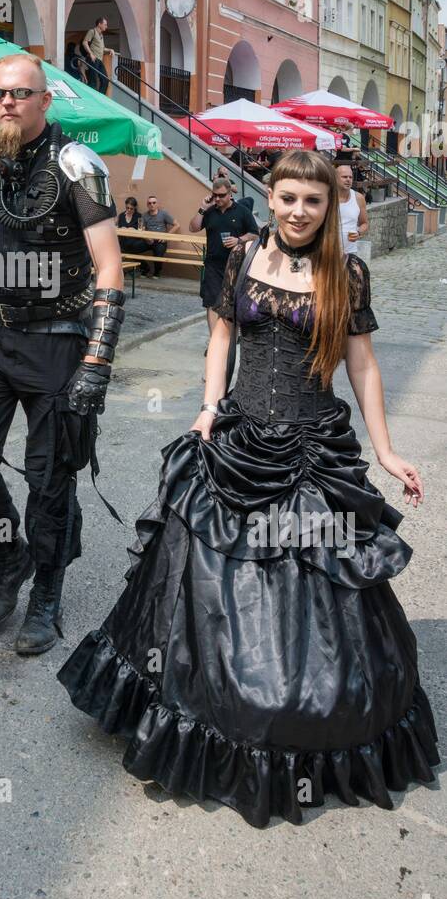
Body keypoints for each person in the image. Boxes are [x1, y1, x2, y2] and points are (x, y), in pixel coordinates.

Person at [59, 148, 439, 828]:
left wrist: (385, 451)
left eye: (312, 201)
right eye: (287, 197)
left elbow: (364, 366)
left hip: (313, 448)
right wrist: (208, 407)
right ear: (270, 196)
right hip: (240, 437)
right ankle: (207, 700)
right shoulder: (242, 256)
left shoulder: (346, 274)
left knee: (318, 597)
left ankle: (299, 721)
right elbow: (221, 339)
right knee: (202, 583)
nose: (298, 211)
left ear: (329, 207)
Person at [0, 53, 124, 656]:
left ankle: (47, 594)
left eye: (20, 93)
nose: (7, 102)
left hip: (59, 338)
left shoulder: (77, 166)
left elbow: (109, 268)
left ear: (46, 99)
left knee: (51, 475)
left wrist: (97, 363)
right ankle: (10, 554)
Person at [189, 178, 259, 336]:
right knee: (212, 303)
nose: (218, 199)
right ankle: (214, 341)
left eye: (221, 195)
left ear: (230, 194)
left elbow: (255, 235)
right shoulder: (209, 211)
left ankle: (230, 340)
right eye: (215, 195)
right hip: (213, 265)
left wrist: (239, 240)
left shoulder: (242, 211)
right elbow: (193, 228)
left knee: (232, 304)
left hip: (235, 265)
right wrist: (202, 208)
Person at [139, 193, 179, 276]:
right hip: (148, 240)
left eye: (154, 203)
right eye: (149, 203)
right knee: (132, 248)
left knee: (159, 253)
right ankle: (145, 268)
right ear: (147, 205)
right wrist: (147, 238)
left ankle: (157, 272)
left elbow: (177, 225)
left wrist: (166, 237)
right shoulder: (144, 215)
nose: (152, 205)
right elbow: (142, 230)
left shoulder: (163, 214)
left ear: (157, 204)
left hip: (160, 241)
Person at [335, 161, 369, 255]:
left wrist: (358, 233)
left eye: (350, 177)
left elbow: (364, 223)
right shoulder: (327, 197)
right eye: (344, 177)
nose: (348, 180)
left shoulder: (358, 198)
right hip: (328, 252)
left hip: (350, 252)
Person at [81, 16, 109, 94]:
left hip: (99, 60)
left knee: (105, 80)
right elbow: (85, 42)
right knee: (93, 80)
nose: (106, 27)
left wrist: (110, 50)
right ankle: (91, 97)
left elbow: (102, 48)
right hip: (93, 59)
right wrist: (91, 54)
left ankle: (101, 96)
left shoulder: (101, 35)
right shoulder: (92, 31)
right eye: (105, 24)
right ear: (99, 24)